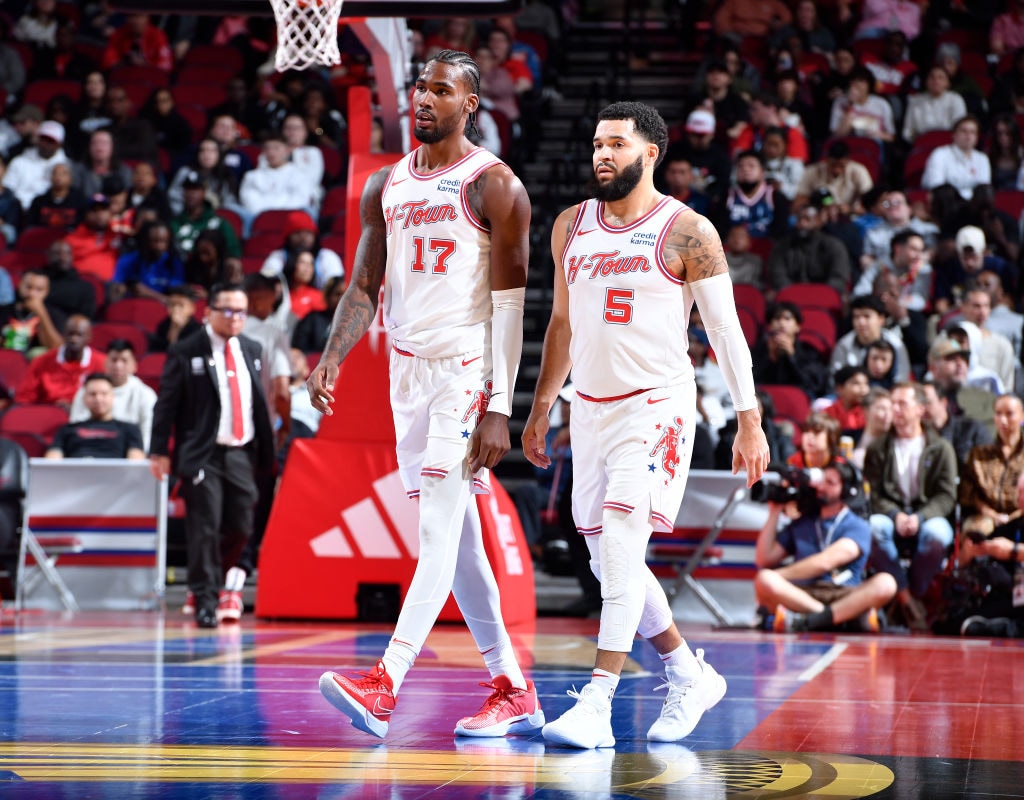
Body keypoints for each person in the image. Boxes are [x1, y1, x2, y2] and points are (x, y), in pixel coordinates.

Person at [307, 50, 542, 740]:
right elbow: (361, 286)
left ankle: (385, 683)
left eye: (441, 90)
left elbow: (511, 305)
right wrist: (331, 358)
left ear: (472, 104)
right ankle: (513, 688)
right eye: (420, 86)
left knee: (436, 528)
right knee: (460, 541)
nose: (423, 98)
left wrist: (500, 405)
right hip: (406, 375)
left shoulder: (495, 186)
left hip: (466, 368)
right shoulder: (385, 184)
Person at [521, 101, 769, 749]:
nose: (602, 154)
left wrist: (749, 418)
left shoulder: (689, 231)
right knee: (608, 563)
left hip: (657, 405)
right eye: (597, 144)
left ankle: (598, 702)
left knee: (625, 549)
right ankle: (688, 672)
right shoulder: (571, 225)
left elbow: (724, 331)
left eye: (617, 145)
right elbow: (563, 325)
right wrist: (544, 405)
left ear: (650, 153)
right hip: (592, 410)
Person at [149, 283, 275, 629]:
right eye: (229, 311)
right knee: (204, 527)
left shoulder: (252, 348)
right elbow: (166, 404)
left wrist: (267, 449)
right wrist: (159, 450)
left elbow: (258, 403)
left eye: (242, 312)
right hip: (202, 452)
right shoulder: (187, 349)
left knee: (241, 525)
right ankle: (206, 600)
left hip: (241, 450)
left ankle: (207, 579)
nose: (236, 318)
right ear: (210, 312)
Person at [756, 461, 897, 632]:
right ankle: (835, 619)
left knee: (886, 583)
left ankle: (806, 621)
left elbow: (825, 562)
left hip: (846, 593)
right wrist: (775, 512)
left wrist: (780, 575)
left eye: (830, 483)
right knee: (764, 579)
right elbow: (764, 558)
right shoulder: (803, 523)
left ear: (846, 491)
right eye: (822, 481)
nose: (822, 486)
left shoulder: (857, 525)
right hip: (805, 594)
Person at [864, 382, 957, 631]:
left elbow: (947, 496)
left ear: (920, 409)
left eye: (902, 404)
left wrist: (920, 516)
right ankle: (908, 601)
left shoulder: (941, 448)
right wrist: (895, 515)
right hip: (890, 515)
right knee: (873, 528)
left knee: (938, 535)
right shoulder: (878, 448)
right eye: (893, 403)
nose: (895, 409)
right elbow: (873, 495)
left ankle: (907, 597)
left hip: (927, 515)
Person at [69, 338, 157, 453]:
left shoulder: (146, 395)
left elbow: (148, 434)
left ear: (134, 365)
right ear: (105, 363)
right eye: (114, 360)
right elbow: (75, 428)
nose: (118, 365)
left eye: (124, 361)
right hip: (88, 453)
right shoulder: (86, 391)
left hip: (129, 458)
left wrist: (137, 460)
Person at [959, 394, 1024, 538]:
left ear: (1022, 416)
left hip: (1020, 517)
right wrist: (993, 515)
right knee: (973, 533)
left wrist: (1013, 517)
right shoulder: (979, 455)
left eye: (1009, 414)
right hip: (986, 517)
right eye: (998, 414)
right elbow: (969, 494)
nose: (1003, 420)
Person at [46, 373, 145, 460]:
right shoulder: (66, 429)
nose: (98, 399)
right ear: (84, 398)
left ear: (112, 397)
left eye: (104, 394)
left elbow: (136, 464)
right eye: (93, 394)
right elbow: (52, 462)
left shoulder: (130, 429)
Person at [15, 315, 106, 409]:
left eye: (79, 335)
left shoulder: (102, 362)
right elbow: (24, 398)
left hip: (87, 414)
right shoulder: (42, 361)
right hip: (48, 413)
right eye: (70, 334)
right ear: (63, 335)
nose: (74, 339)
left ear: (89, 337)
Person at [750, 301, 828, 399]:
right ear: (769, 326)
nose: (782, 323)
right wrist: (771, 359)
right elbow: (749, 384)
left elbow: (816, 386)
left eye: (787, 319)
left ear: (798, 327)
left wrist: (793, 357)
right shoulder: (758, 351)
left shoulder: (809, 352)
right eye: (777, 319)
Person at [921, 116, 991, 200]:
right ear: (954, 135)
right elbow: (936, 187)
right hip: (946, 205)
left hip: (974, 206)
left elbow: (983, 190)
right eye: (964, 131)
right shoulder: (939, 154)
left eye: (972, 132)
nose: (968, 136)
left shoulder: (982, 159)